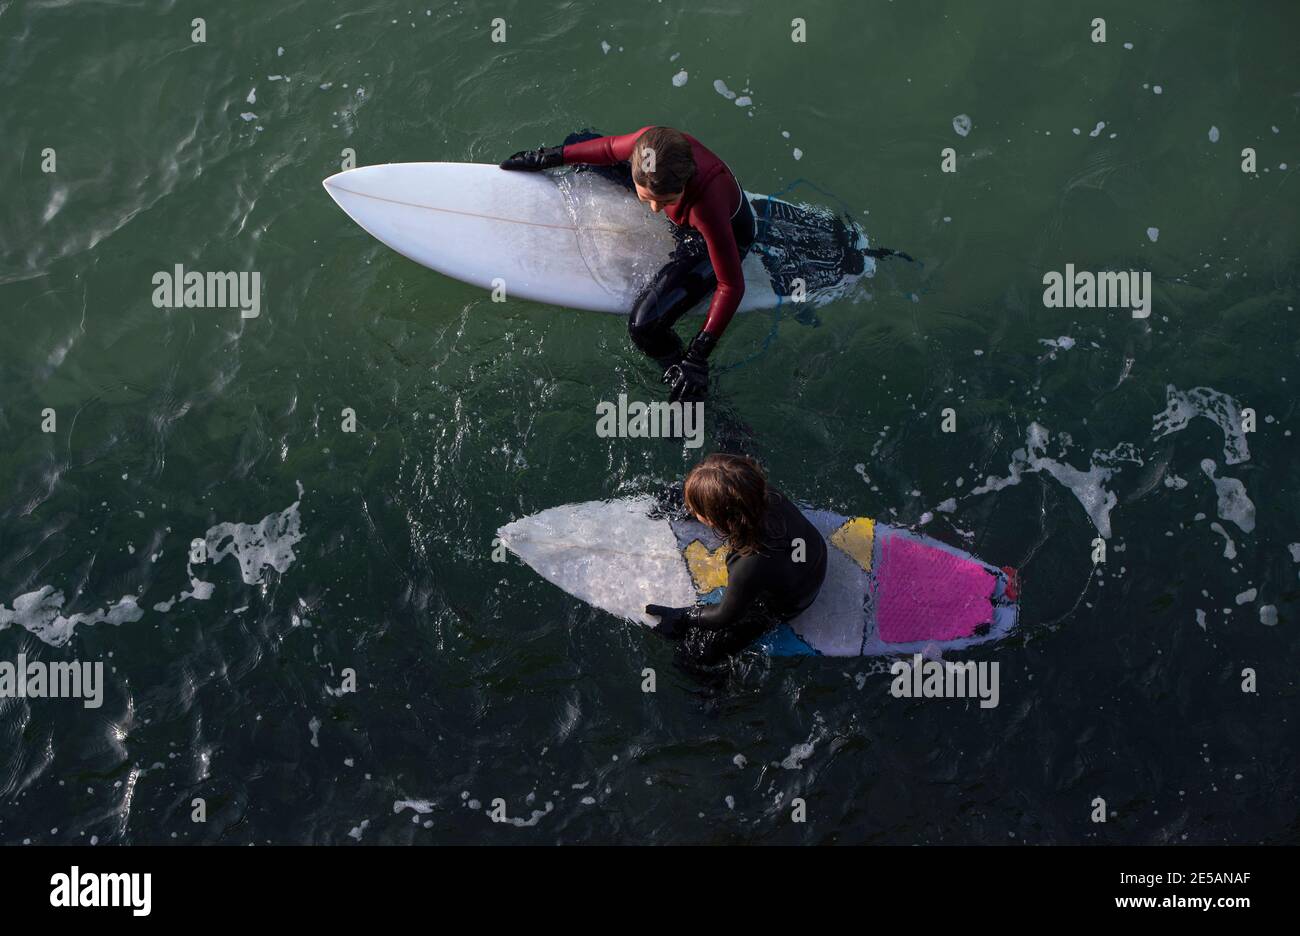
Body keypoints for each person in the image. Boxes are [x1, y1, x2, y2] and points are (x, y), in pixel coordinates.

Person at [500, 126, 756, 402]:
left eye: (666, 201)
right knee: (580, 145)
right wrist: (548, 157)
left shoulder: (705, 206)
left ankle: (688, 384)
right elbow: (610, 148)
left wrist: (699, 354)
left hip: (710, 239)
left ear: (682, 186)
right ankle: (644, 187)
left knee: (644, 327)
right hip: (669, 189)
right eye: (648, 200)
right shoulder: (648, 145)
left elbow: (730, 285)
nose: (656, 210)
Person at [645, 454, 827, 665]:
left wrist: (684, 616)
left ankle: (715, 693)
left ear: (716, 519)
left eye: (696, 509)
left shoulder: (750, 563)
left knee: (696, 655)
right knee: (673, 498)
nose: (691, 511)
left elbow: (724, 616)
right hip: (811, 553)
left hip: (791, 600)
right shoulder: (762, 494)